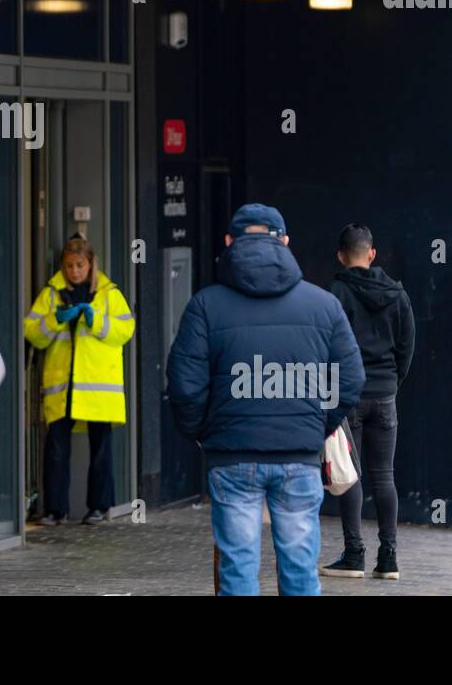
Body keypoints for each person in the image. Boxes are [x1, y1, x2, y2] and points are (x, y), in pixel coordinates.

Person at [167, 203, 364, 596]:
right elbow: (352, 379)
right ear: (286, 242)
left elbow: (185, 386)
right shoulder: (323, 305)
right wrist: (314, 426)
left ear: (228, 242)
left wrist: (206, 434)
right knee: (300, 573)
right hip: (299, 456)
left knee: (237, 570)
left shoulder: (205, 306)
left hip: (233, 457)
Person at [321, 223, 415, 582]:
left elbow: (328, 346)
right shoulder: (398, 294)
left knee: (350, 472)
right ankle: (388, 558)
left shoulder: (335, 294)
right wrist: (392, 379)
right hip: (386, 394)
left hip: (349, 395)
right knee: (384, 474)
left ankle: (354, 555)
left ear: (341, 256)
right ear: (372, 253)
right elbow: (407, 347)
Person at [24, 234, 135, 525]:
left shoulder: (109, 294)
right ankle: (55, 509)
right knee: (56, 449)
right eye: (70, 265)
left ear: (90, 264)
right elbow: (32, 332)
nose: (74, 271)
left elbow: (125, 331)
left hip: (97, 385)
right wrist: (55, 319)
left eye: (80, 265)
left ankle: (99, 507)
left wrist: (93, 319)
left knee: (101, 449)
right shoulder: (51, 294)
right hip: (63, 384)